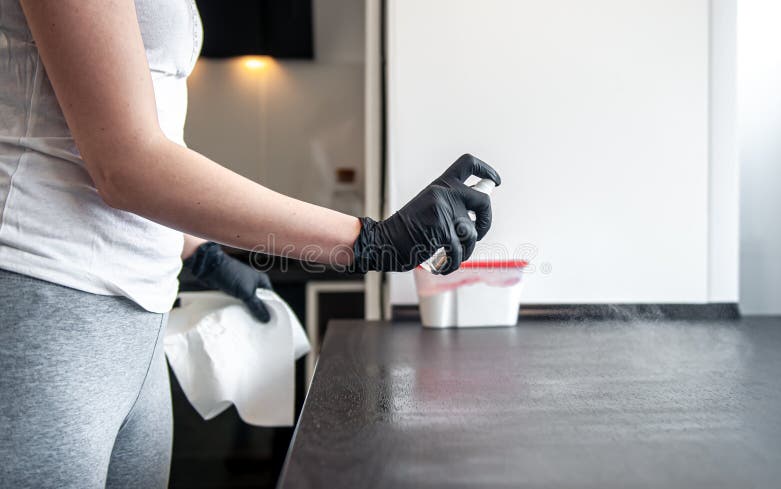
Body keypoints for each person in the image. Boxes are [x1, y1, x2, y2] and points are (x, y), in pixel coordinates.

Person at [0, 1, 501, 488]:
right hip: (48, 302)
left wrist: (198, 252)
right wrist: (370, 241)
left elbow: (144, 136)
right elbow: (125, 166)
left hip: (140, 313)